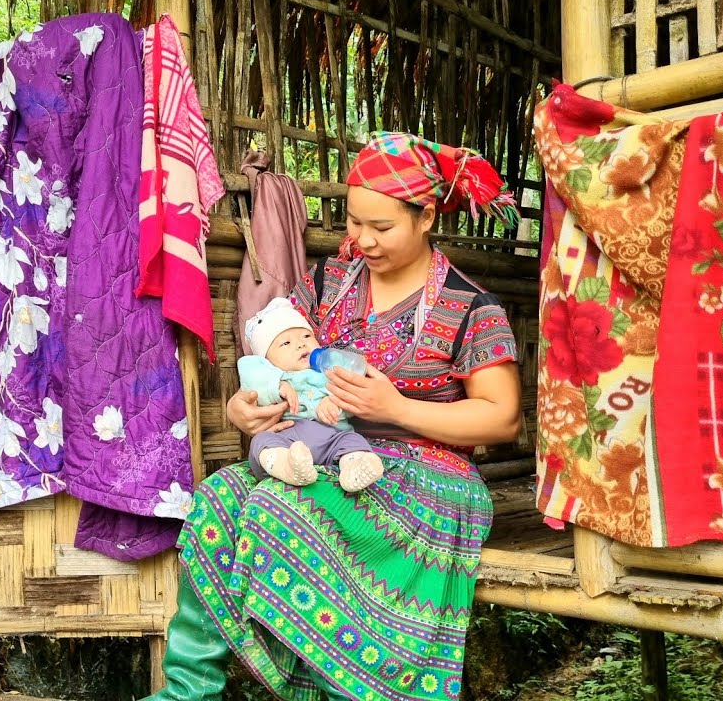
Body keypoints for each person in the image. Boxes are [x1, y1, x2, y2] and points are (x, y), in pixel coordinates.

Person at [143, 132, 522, 701]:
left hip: (430, 472)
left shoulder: (469, 306)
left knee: (283, 508)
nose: (362, 240)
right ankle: (186, 694)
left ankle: (340, 687)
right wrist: (248, 408)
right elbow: (270, 357)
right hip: (320, 444)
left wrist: (396, 407)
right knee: (219, 498)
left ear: (425, 218)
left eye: (382, 227)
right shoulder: (325, 286)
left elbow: (502, 419)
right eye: (353, 222)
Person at [238, 296, 386, 492]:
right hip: (287, 438)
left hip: (332, 438)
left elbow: (352, 395)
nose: (300, 344)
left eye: (306, 337)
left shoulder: (326, 371)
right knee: (261, 442)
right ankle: (286, 465)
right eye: (286, 343)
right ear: (266, 359)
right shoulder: (270, 374)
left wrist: (333, 403)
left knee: (353, 441)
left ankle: (353, 468)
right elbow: (250, 373)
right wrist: (277, 386)